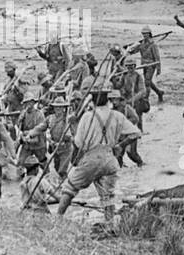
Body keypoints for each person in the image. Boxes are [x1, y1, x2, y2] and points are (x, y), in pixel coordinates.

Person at [55, 90, 141, 218]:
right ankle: (109, 222)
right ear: (108, 101)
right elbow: (136, 133)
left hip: (92, 157)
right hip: (110, 157)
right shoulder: (117, 115)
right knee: (108, 195)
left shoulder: (87, 116)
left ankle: (57, 217)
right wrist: (120, 145)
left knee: (70, 187)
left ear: (93, 102)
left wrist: (73, 125)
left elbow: (78, 143)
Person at [109, 89, 145, 167]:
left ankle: (140, 164)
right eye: (112, 99)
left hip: (129, 135)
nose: (114, 102)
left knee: (132, 154)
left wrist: (124, 124)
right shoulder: (110, 111)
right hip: (119, 136)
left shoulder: (126, 108)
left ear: (119, 99)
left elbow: (135, 118)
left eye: (115, 99)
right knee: (118, 156)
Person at [15, 89, 49, 170]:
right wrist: (20, 119)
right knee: (20, 163)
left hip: (38, 144)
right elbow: (19, 128)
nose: (28, 105)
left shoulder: (39, 114)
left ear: (33, 103)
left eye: (30, 102)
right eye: (26, 103)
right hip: (27, 144)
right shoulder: (23, 114)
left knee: (43, 163)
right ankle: (20, 178)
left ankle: (47, 178)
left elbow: (41, 128)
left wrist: (29, 134)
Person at [134, 28, 164, 104]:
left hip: (151, 65)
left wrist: (158, 69)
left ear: (149, 34)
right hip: (144, 65)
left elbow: (157, 57)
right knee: (148, 81)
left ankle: (146, 99)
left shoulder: (153, 44)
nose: (144, 35)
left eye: (146, 34)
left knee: (147, 82)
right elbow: (135, 50)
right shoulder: (142, 44)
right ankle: (159, 92)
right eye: (143, 34)